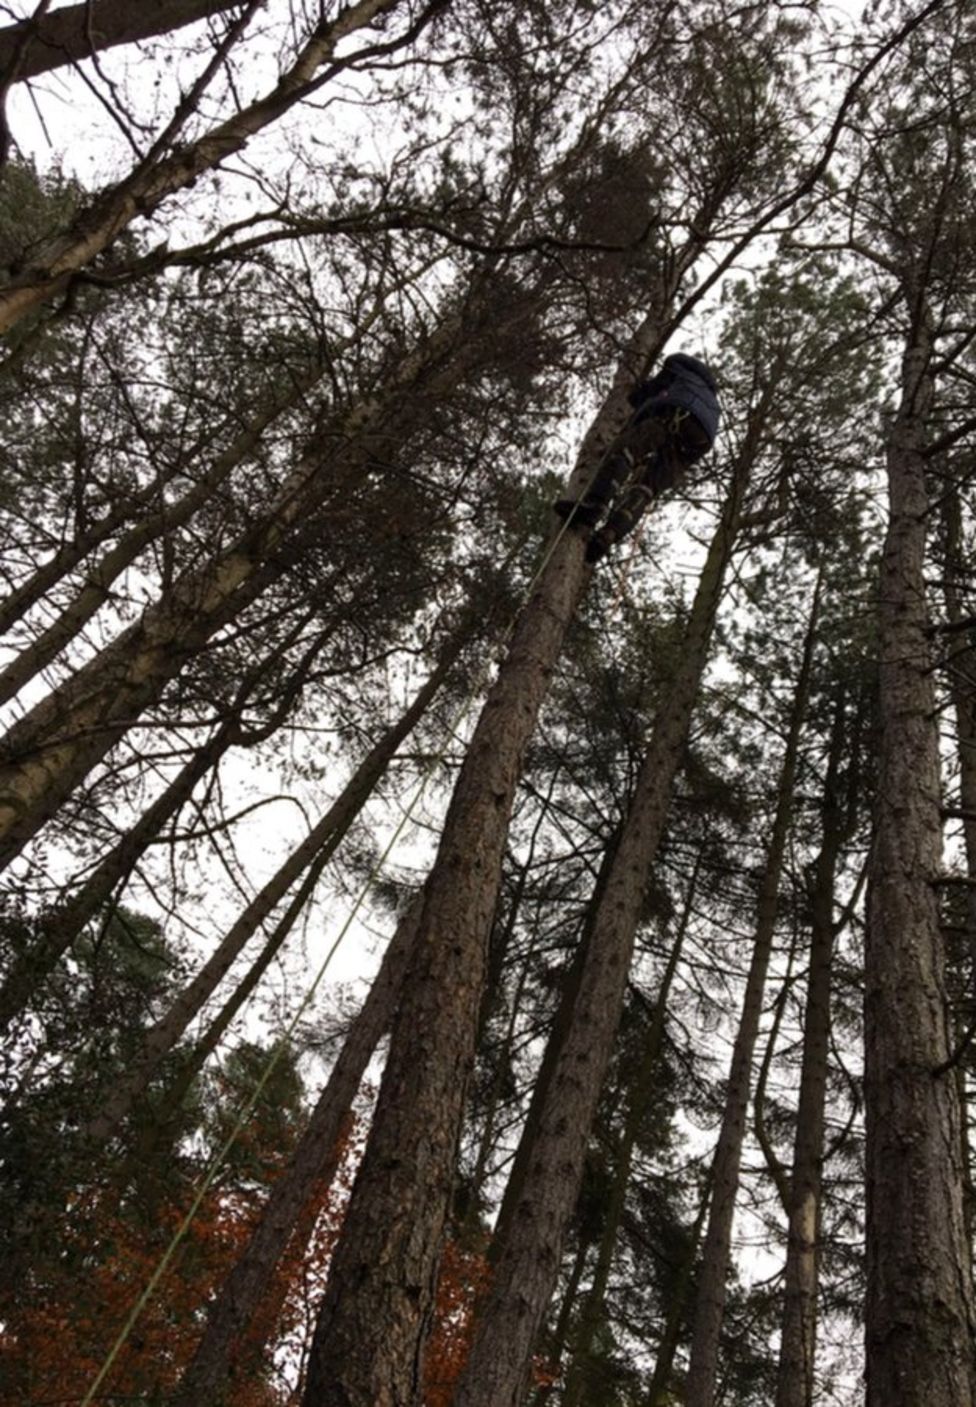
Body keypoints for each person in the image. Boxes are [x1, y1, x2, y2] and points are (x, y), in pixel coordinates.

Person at [554, 352, 720, 562]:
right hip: (700, 440)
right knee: (647, 487)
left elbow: (653, 390)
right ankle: (608, 536)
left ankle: (593, 508)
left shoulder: (679, 367)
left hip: (678, 412)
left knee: (625, 451)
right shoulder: (713, 402)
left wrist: (636, 396)